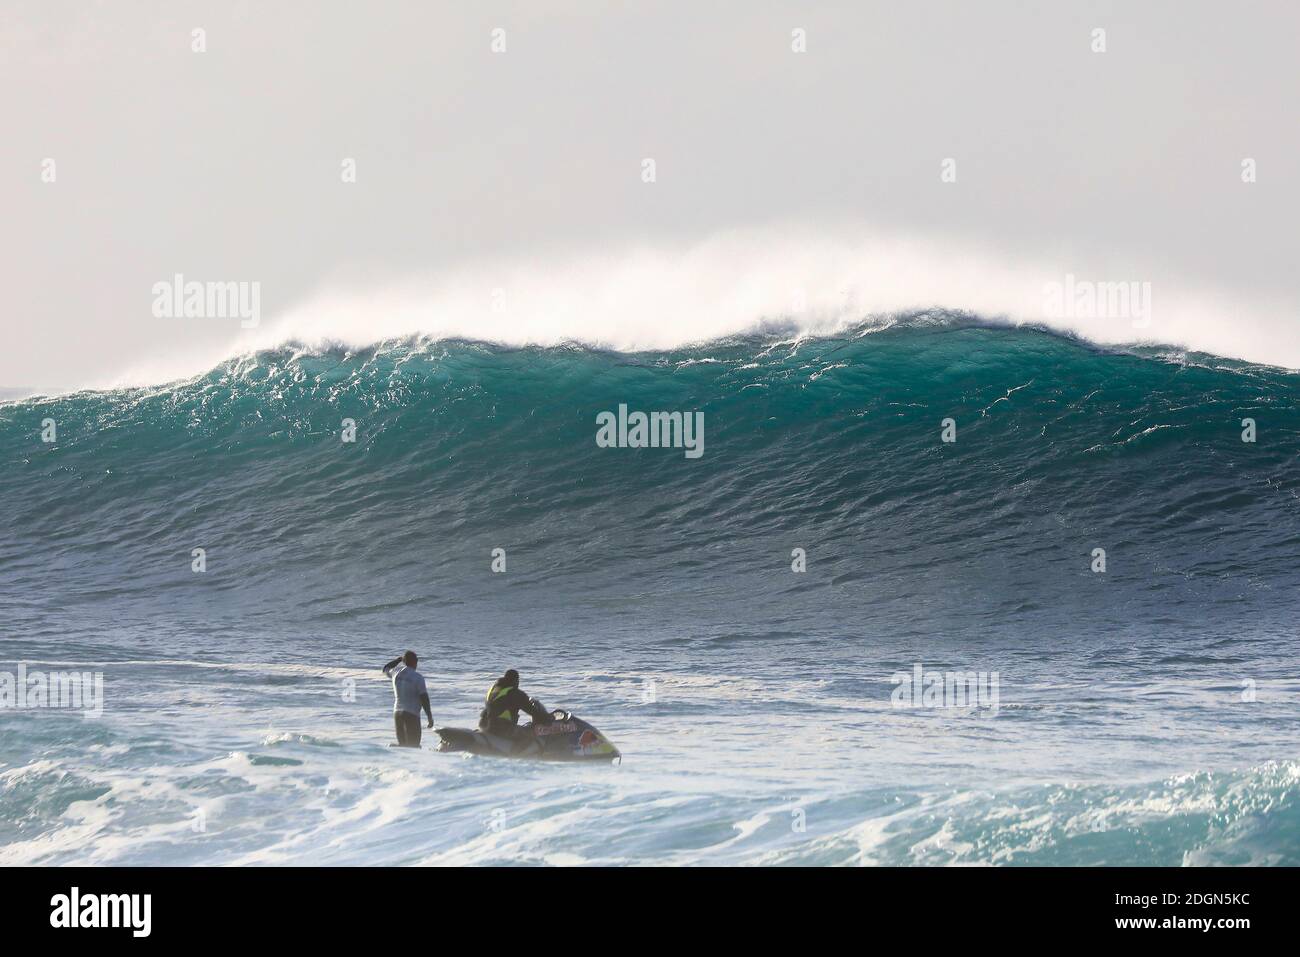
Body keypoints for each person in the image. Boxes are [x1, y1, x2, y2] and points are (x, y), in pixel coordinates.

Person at [478, 669, 551, 752]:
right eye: (518, 680)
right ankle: (515, 755)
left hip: (484, 724)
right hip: (502, 727)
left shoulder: (494, 690)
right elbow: (531, 710)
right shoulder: (514, 693)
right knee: (531, 736)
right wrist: (547, 717)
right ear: (515, 680)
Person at [382, 651, 433, 747]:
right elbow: (424, 698)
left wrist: (398, 660)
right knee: (414, 746)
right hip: (411, 714)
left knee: (403, 747)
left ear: (404, 661)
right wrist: (429, 717)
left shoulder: (395, 672)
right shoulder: (418, 677)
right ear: (416, 661)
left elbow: (385, 668)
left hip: (397, 713)